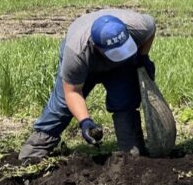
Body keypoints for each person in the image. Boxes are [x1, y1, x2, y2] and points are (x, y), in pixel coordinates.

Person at [18, 9, 157, 161]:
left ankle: (132, 156)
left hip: (121, 67)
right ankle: (33, 153)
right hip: (86, 62)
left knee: (125, 101)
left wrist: (143, 57)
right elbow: (72, 92)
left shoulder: (139, 26)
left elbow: (151, 30)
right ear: (96, 46)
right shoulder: (76, 53)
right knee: (60, 108)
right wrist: (85, 121)